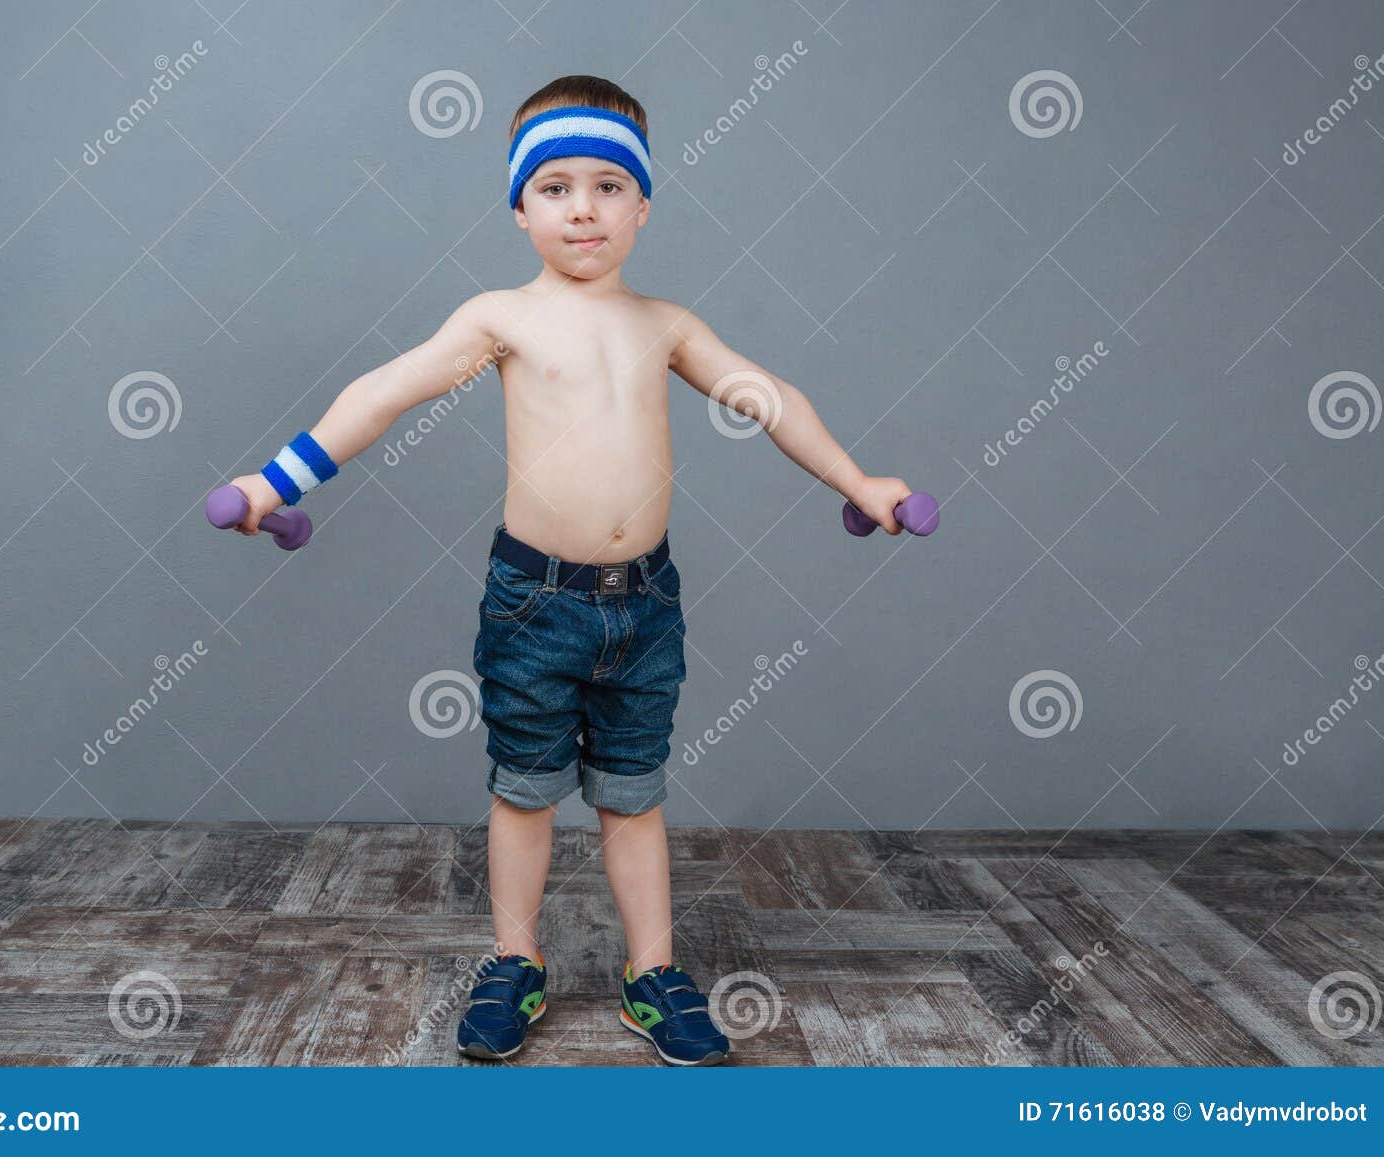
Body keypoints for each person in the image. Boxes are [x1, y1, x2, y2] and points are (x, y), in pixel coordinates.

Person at [224, 74, 916, 1066]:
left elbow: (767, 396)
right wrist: (277, 478)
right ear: (518, 207)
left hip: (643, 606)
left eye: (605, 184)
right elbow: (383, 392)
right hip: (533, 603)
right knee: (524, 789)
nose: (581, 206)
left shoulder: (665, 324)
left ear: (643, 204)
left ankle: (653, 971)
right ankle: (513, 959)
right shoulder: (501, 316)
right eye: (553, 187)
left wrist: (860, 480)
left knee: (633, 795)